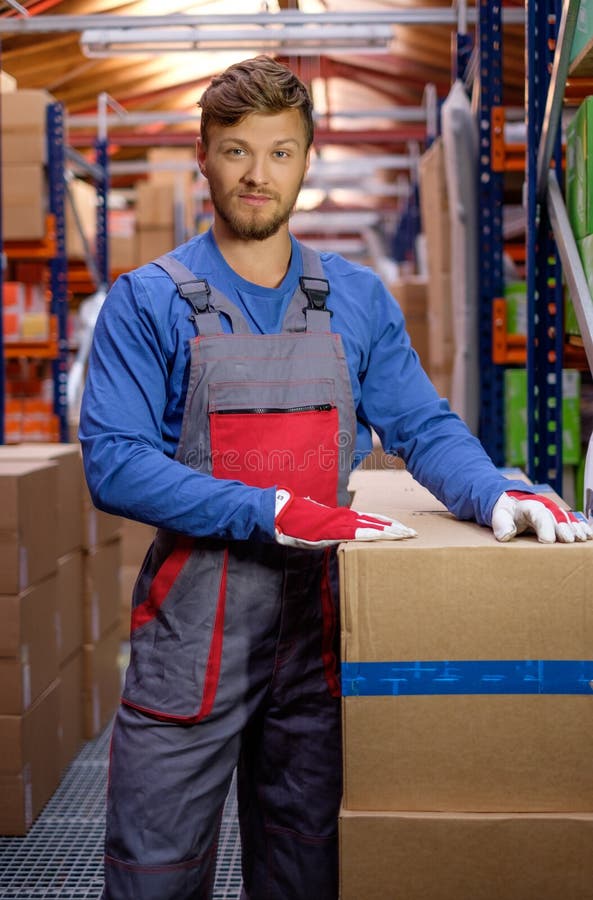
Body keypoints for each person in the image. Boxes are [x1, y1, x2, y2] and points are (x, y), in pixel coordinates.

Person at [79, 55, 591, 900]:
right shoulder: (149, 300)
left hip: (319, 643)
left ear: (307, 160)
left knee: (304, 872)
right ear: (203, 156)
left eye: (280, 151)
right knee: (153, 876)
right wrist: (270, 509)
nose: (257, 173)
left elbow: (422, 426)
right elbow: (116, 462)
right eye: (237, 149)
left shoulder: (354, 297)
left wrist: (495, 486)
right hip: (192, 641)